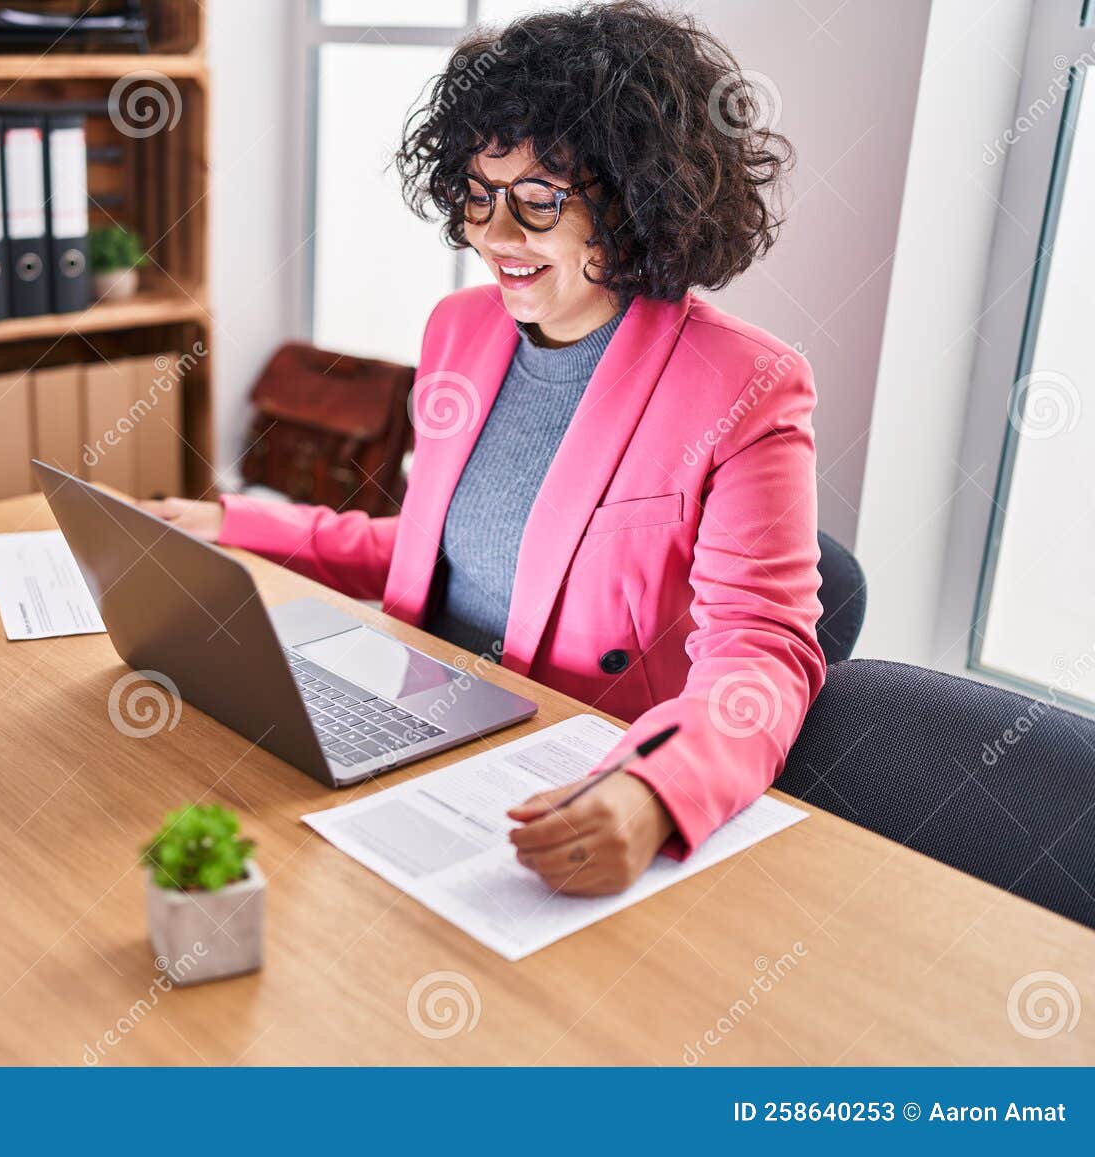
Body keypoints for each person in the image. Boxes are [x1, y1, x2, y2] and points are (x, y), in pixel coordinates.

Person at [143, 1, 825, 895]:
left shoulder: (745, 385)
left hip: (569, 780)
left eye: (539, 202)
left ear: (632, 204)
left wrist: (658, 789)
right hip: (422, 733)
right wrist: (236, 526)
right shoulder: (462, 331)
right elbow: (447, 553)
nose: (495, 238)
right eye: (477, 195)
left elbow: (761, 650)